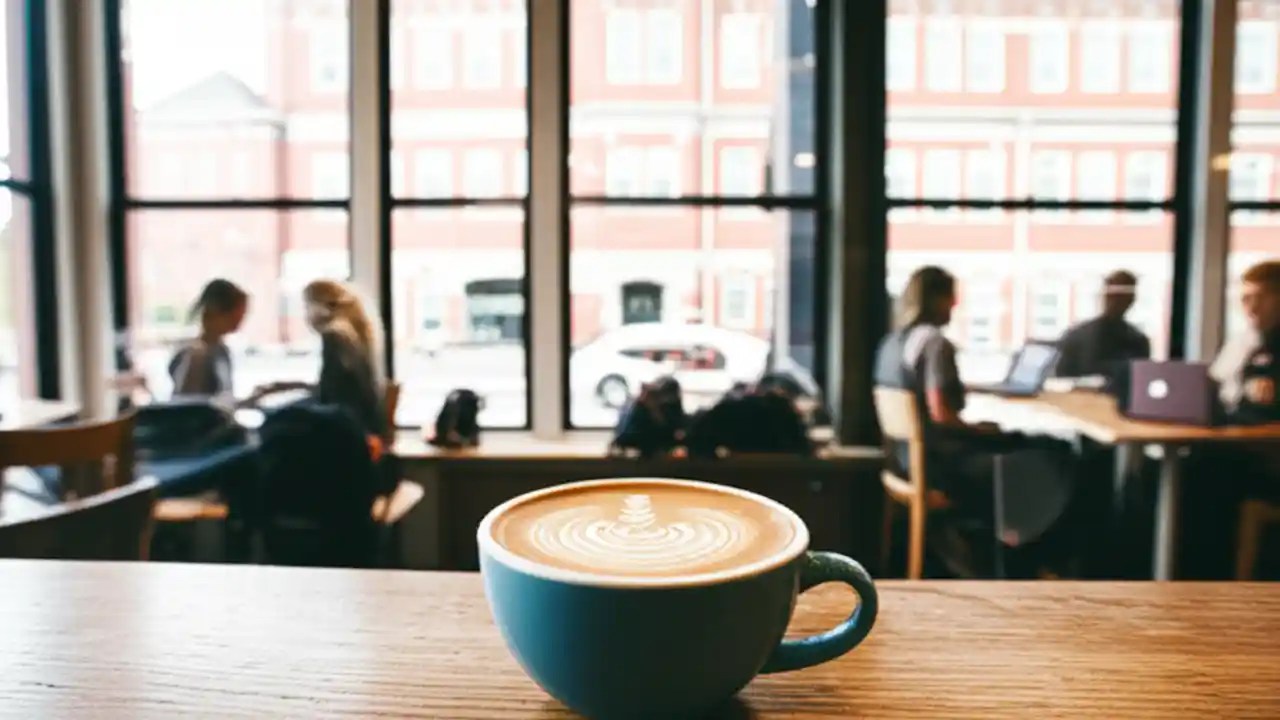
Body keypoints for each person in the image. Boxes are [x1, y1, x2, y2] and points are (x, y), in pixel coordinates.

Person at [874, 267, 1078, 576]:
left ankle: (1017, 556)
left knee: (1020, 442)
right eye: (951, 297)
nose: (955, 306)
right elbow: (941, 414)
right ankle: (1036, 561)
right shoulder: (934, 342)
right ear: (937, 299)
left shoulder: (892, 343)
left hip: (905, 463)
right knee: (1052, 451)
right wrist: (984, 431)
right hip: (940, 468)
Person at [1179, 261, 1280, 579]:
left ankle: (1206, 578)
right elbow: (1216, 386)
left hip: (1269, 460)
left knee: (1204, 474)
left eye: (1259, 297)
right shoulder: (1246, 341)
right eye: (1244, 298)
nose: (1249, 307)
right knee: (1187, 467)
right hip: (1243, 445)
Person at [257, 279, 389, 449]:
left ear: (320, 307)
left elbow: (329, 397)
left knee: (274, 425)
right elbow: (339, 386)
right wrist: (291, 386)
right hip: (362, 424)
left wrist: (277, 410)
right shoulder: (354, 335)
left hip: (346, 427)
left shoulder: (334, 335)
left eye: (306, 307)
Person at [1053, 271, 1151, 378]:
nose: (1116, 301)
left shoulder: (1138, 342)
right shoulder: (1076, 337)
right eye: (1114, 296)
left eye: (1121, 297)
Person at [169, 279, 249, 401]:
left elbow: (222, 403)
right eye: (237, 313)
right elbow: (187, 408)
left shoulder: (221, 351)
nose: (241, 319)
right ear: (216, 312)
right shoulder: (196, 356)